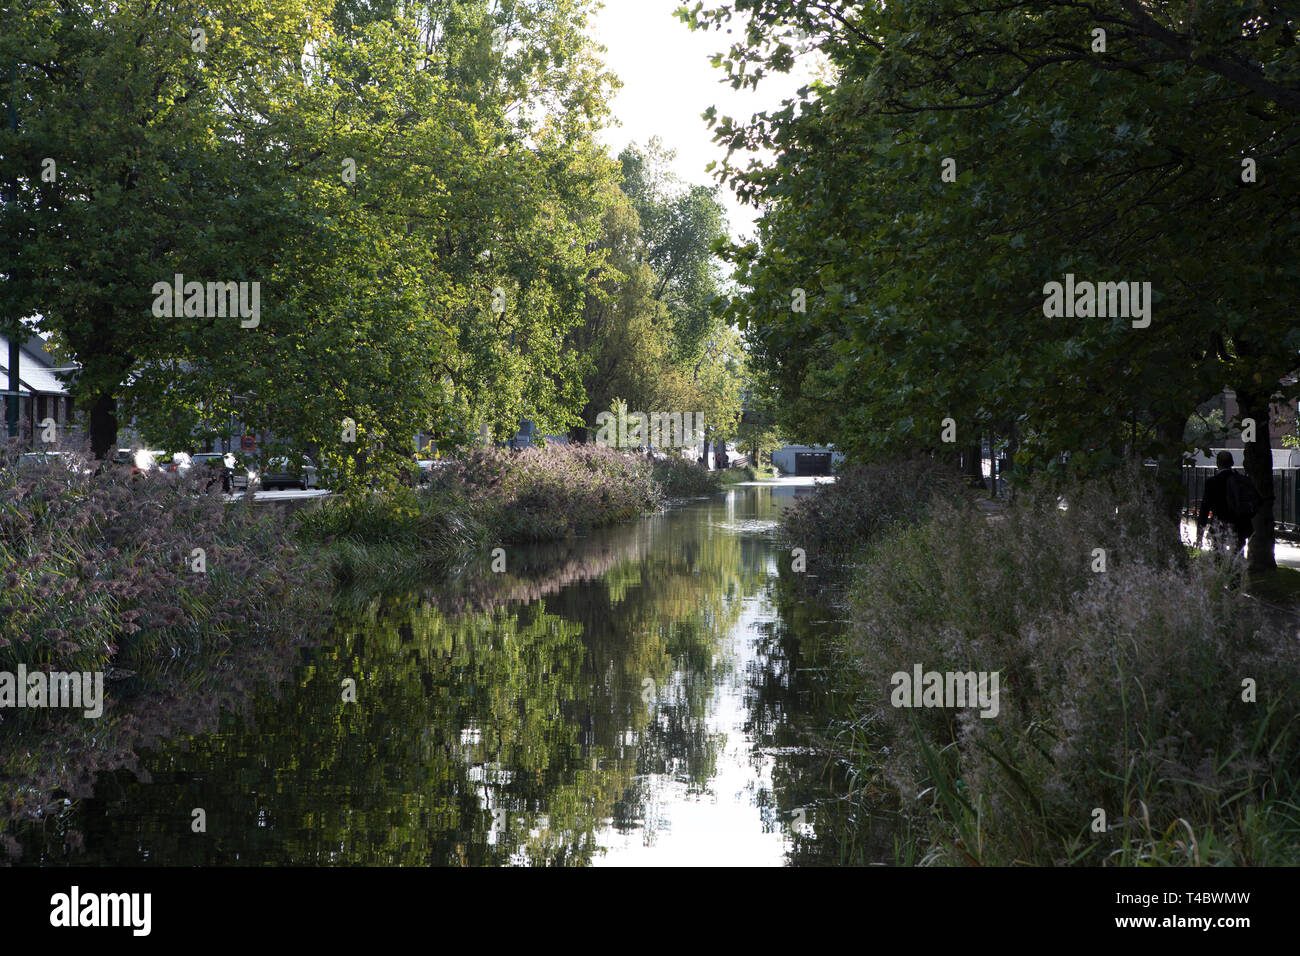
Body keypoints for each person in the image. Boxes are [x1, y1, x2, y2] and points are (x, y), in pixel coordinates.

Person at [1196, 450, 1255, 555]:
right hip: (1239, 524)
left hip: (1219, 524)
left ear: (1218, 464)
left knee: (1218, 555)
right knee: (1238, 556)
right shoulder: (1242, 480)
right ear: (1232, 463)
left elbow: (1205, 508)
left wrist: (1200, 533)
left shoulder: (1212, 482)